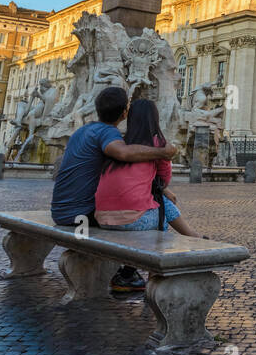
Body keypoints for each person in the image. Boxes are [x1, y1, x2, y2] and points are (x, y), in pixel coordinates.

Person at [50, 86, 176, 293]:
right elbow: (124, 154)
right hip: (80, 214)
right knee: (151, 214)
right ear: (124, 113)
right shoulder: (108, 133)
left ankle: (128, 272)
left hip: (61, 210)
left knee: (144, 205)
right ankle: (130, 274)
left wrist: (161, 190)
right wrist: (163, 152)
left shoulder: (83, 130)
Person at [96, 98, 202, 236]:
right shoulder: (158, 144)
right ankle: (168, 245)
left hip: (101, 218)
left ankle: (193, 235)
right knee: (163, 204)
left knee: (161, 199)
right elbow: (163, 182)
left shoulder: (120, 143)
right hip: (132, 221)